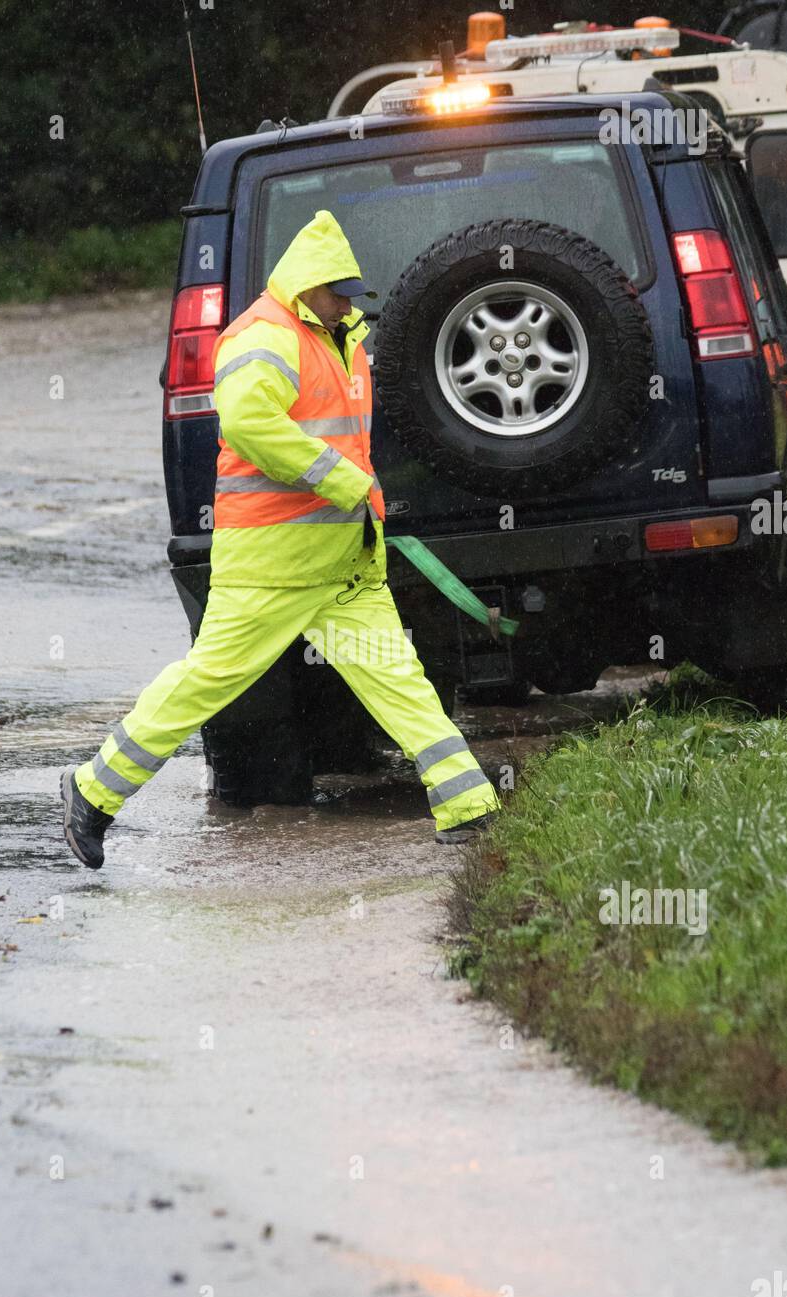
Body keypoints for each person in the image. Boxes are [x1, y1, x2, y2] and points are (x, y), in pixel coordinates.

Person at [60, 209, 501, 868]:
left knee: (397, 680)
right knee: (205, 685)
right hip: (269, 564)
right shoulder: (262, 336)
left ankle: (467, 806)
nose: (348, 303)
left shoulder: (339, 338)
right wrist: (344, 484)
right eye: (337, 293)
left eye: (351, 294)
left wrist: (358, 506)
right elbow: (248, 425)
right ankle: (92, 793)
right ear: (306, 286)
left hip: (341, 566)